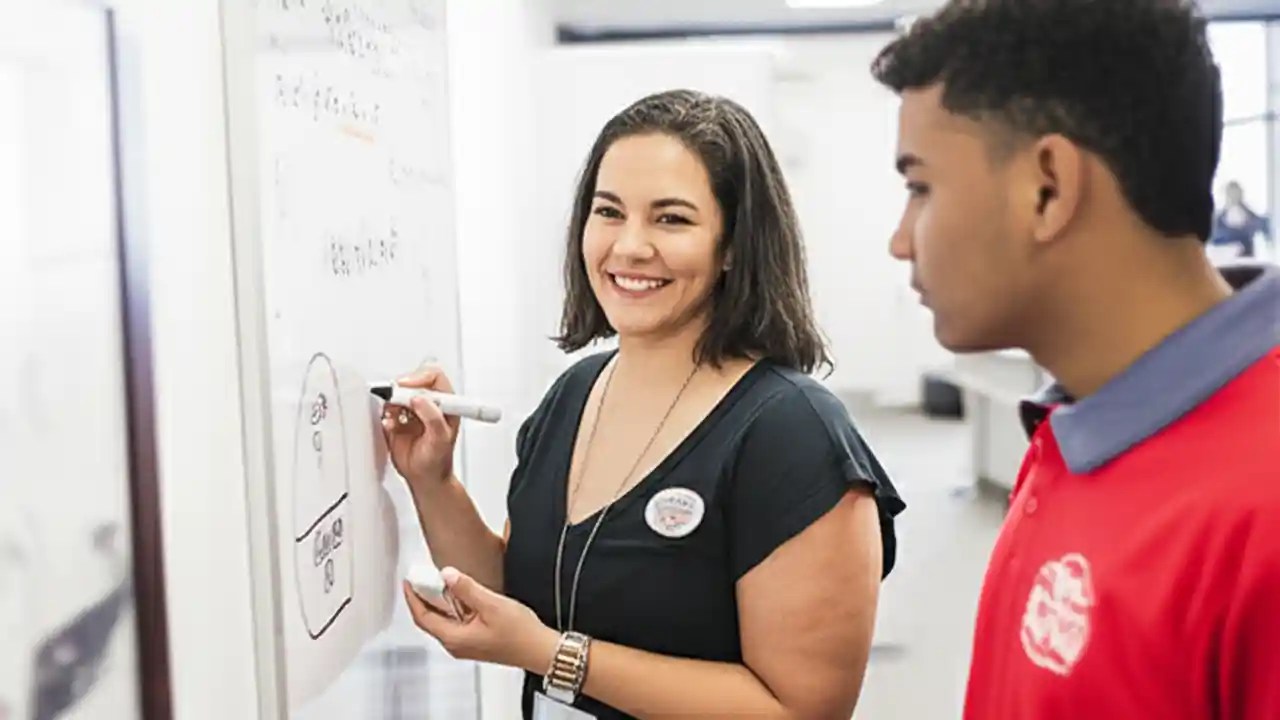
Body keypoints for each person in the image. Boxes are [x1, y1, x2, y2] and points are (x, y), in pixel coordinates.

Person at [381, 89, 905, 719]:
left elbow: (802, 712)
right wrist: (432, 481)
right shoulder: (573, 395)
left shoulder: (793, 432)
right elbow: (515, 605)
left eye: (671, 219)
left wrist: (554, 655)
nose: (629, 246)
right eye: (609, 212)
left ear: (733, 245)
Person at [872, 1, 1280, 718]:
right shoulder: (1077, 431)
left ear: (1047, 188)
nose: (900, 241)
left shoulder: (1260, 505)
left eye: (920, 188)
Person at [1211, 181, 1269, 258]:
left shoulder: (1250, 215)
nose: (1233, 196)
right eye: (1231, 193)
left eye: (1235, 193)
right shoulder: (1219, 219)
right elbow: (1214, 238)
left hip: (1246, 255)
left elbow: (1260, 225)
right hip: (1226, 255)